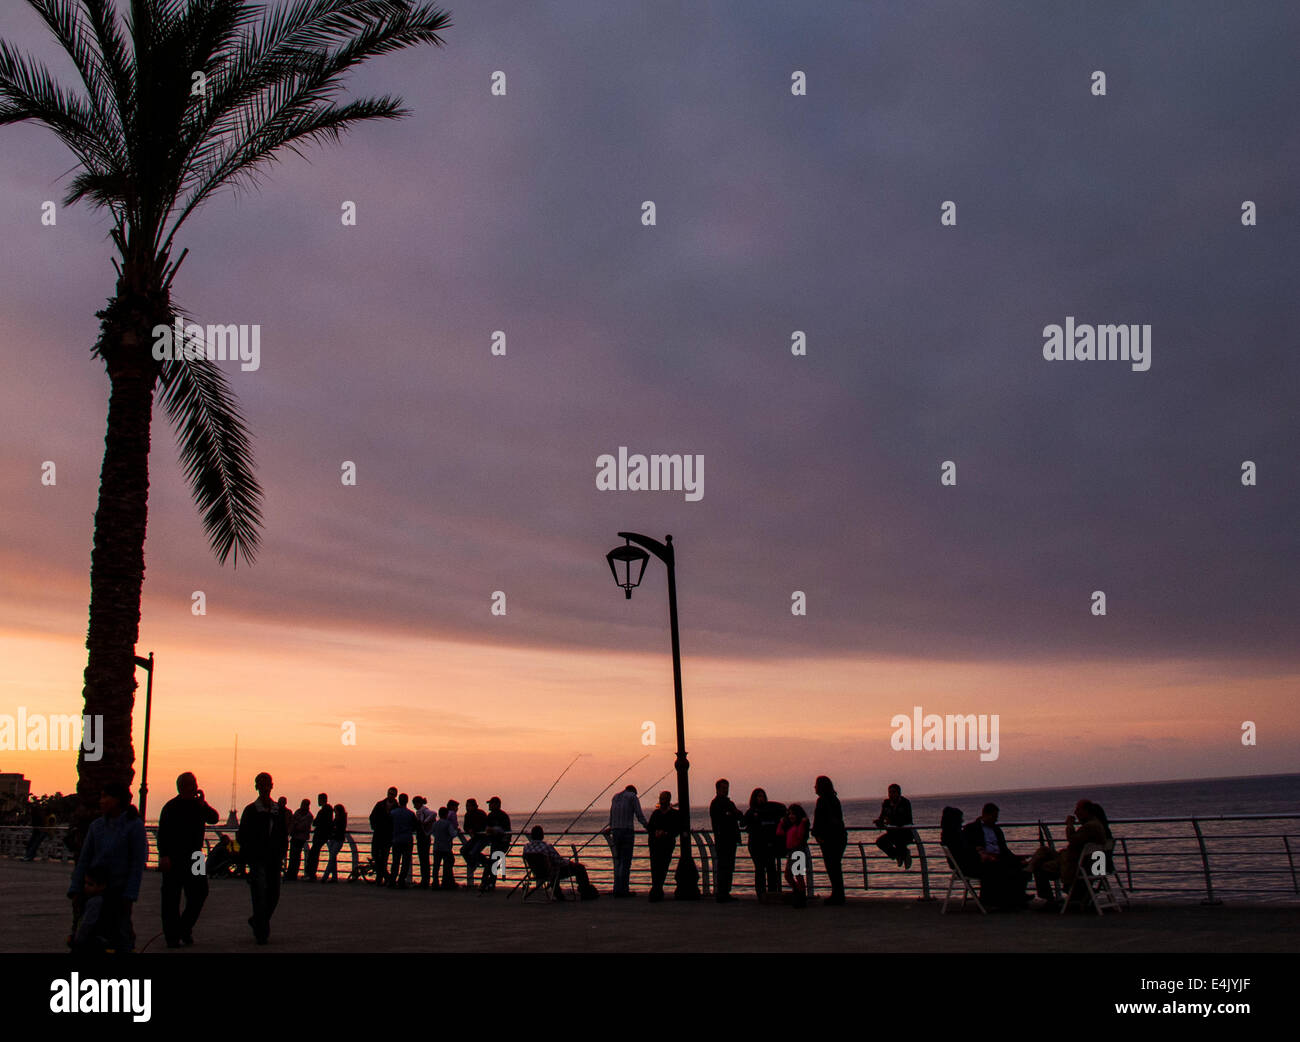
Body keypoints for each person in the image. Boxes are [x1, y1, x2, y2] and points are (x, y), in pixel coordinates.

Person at [67, 782, 147, 953]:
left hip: (119, 892)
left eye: (105, 796)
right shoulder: (97, 826)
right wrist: (75, 888)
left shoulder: (134, 826)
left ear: (117, 800)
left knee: (120, 934)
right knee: (89, 929)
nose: (101, 801)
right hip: (94, 889)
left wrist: (130, 894)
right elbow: (85, 859)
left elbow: (137, 864)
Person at [156, 771, 219, 947]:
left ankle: (183, 927)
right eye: (192, 783)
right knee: (171, 897)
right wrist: (164, 855)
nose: (195, 786)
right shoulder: (171, 807)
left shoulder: (198, 805)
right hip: (175, 857)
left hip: (196, 856)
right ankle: (172, 936)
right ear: (185, 786)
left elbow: (213, 818)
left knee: (200, 892)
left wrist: (203, 803)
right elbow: (163, 834)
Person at [237, 772, 290, 943]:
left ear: (271, 786)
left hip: (274, 858)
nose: (265, 787)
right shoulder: (251, 810)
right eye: (262, 784)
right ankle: (262, 932)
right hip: (257, 858)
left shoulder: (278, 811)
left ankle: (258, 921)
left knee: (274, 894)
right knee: (259, 895)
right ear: (257, 787)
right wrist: (245, 859)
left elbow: (283, 834)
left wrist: (282, 852)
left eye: (267, 784)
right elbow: (243, 836)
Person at [1029, 799, 1111, 904]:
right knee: (1043, 851)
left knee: (1039, 866)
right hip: (1076, 861)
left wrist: (1069, 825)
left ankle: (1048, 899)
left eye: (1078, 810)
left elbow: (1072, 840)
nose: (1075, 813)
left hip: (1072, 865)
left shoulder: (1090, 827)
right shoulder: (1096, 825)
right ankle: (1028, 868)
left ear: (1086, 811)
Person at [961, 802, 1029, 909]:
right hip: (983, 860)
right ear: (986, 815)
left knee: (1021, 865)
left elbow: (1004, 849)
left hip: (999, 857)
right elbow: (968, 848)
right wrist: (982, 854)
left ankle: (1017, 897)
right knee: (1000, 867)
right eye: (994, 817)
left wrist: (1017, 858)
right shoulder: (971, 828)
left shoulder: (997, 830)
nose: (996, 820)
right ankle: (1007, 899)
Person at [522, 825, 599, 900]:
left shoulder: (526, 847)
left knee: (552, 869)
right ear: (542, 835)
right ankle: (585, 892)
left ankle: (559, 895)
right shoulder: (546, 846)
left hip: (537, 873)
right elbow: (558, 861)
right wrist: (569, 862)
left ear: (532, 836)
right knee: (580, 868)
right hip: (550, 873)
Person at [603, 784, 649, 898]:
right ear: (634, 791)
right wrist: (648, 827)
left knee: (618, 861)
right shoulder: (633, 797)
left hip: (615, 831)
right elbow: (639, 815)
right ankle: (623, 890)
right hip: (627, 831)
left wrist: (611, 826)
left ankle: (617, 888)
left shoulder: (615, 797)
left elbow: (612, 814)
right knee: (626, 862)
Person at [743, 788, 787, 898]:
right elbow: (743, 822)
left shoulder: (771, 809)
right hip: (756, 845)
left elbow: (782, 809)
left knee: (771, 869)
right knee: (760, 869)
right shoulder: (751, 812)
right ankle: (761, 893)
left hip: (769, 844)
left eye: (762, 796)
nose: (760, 798)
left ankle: (772, 892)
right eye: (758, 796)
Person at [812, 775, 848, 905]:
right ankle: (838, 894)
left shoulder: (822, 801)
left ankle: (837, 895)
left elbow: (819, 819)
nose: (814, 787)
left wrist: (816, 833)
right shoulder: (834, 800)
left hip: (830, 838)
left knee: (832, 866)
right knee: (835, 866)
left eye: (816, 785)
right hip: (839, 837)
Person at [709, 779, 743, 903]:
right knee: (724, 866)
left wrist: (732, 814)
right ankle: (722, 892)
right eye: (723, 788)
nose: (726, 790)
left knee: (728, 866)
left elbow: (738, 815)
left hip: (730, 839)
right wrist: (731, 814)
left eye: (727, 788)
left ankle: (725, 892)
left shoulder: (729, 803)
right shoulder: (716, 804)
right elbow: (724, 818)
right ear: (717, 789)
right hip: (723, 839)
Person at [646, 790, 682, 903]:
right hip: (655, 844)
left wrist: (666, 833)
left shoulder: (674, 814)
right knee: (655, 866)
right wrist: (655, 832)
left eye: (664, 799)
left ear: (669, 800)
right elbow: (650, 828)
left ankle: (657, 889)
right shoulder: (655, 814)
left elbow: (677, 829)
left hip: (667, 844)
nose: (662, 801)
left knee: (663, 866)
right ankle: (656, 889)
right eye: (661, 799)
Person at [778, 803, 812, 908]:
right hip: (791, 851)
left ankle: (801, 896)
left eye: (793, 814)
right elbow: (779, 833)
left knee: (798, 875)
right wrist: (781, 822)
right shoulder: (790, 826)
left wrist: (802, 824)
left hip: (798, 850)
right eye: (789, 814)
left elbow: (800, 836)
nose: (791, 816)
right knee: (788, 875)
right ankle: (798, 892)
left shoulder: (799, 826)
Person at [873, 784, 914, 868]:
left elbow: (907, 819)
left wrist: (892, 821)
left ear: (899, 793)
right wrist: (879, 822)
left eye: (893, 792)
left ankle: (904, 854)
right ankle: (897, 855)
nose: (891, 795)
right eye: (890, 792)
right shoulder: (886, 803)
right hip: (892, 833)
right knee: (880, 842)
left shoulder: (905, 803)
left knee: (899, 840)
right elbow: (882, 816)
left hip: (905, 833)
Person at [481, 796, 512, 892]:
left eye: (491, 803)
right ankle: (489, 883)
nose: (489, 805)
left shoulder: (503, 816)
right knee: (493, 863)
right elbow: (487, 828)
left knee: (493, 863)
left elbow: (506, 831)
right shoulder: (490, 816)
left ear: (497, 804)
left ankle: (487, 883)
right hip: (494, 843)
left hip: (502, 843)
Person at [368, 787, 398, 885]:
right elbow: (372, 817)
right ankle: (386, 877)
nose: (391, 796)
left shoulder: (397, 807)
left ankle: (381, 878)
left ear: (395, 796)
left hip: (388, 836)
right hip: (378, 834)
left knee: (384, 857)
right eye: (390, 793)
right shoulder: (380, 804)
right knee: (375, 855)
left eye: (393, 794)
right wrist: (375, 827)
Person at [388, 793, 417, 889]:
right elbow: (414, 827)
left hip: (396, 839)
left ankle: (392, 880)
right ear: (407, 801)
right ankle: (401, 881)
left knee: (395, 861)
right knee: (405, 862)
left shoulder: (393, 813)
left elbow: (390, 825)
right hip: (407, 839)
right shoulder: (411, 814)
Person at [461, 798, 490, 889]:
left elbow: (485, 825)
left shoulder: (481, 813)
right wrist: (469, 830)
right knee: (463, 850)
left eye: (468, 806)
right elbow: (465, 826)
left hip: (483, 837)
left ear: (474, 806)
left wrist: (474, 830)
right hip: (475, 838)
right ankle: (475, 862)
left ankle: (485, 862)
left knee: (473, 852)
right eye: (466, 806)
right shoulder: (467, 815)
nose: (467, 808)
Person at [305, 793, 332, 880]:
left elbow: (315, 822)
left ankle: (311, 873)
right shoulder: (329, 810)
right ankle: (311, 873)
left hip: (320, 835)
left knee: (313, 854)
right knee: (314, 854)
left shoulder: (323, 811)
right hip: (324, 835)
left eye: (319, 799)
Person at [432, 806, 459, 889]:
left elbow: (433, 833)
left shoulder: (435, 823)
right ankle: (446, 882)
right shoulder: (448, 824)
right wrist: (457, 831)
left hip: (436, 847)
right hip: (446, 848)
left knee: (436, 866)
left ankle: (435, 883)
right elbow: (453, 834)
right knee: (448, 864)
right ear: (446, 814)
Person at [285, 799, 313, 881]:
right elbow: (293, 822)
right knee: (293, 856)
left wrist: (295, 826)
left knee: (296, 856)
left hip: (300, 837)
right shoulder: (298, 812)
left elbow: (302, 826)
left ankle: (293, 874)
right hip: (295, 836)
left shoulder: (308, 816)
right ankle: (291, 873)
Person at [414, 796, 435, 888]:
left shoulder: (423, 810)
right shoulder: (420, 811)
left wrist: (424, 822)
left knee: (424, 859)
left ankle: (425, 880)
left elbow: (434, 813)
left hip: (423, 837)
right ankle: (425, 879)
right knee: (424, 859)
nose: (414, 806)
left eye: (415, 804)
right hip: (423, 836)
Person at [322, 803, 347, 883]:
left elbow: (339, 829)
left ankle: (325, 876)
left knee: (332, 858)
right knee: (333, 858)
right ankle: (334, 877)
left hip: (338, 840)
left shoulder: (341, 819)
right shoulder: (337, 819)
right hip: (334, 839)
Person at [22, 796, 47, 860]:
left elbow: (39, 820)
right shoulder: (38, 812)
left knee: (33, 844)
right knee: (33, 844)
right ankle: (30, 856)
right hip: (37, 829)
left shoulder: (36, 812)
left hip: (38, 829)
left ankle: (29, 856)